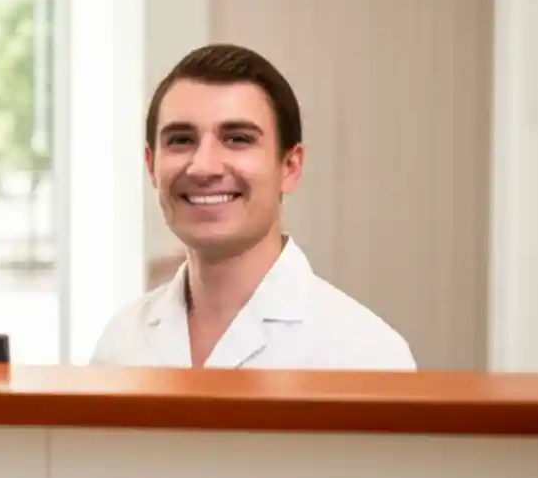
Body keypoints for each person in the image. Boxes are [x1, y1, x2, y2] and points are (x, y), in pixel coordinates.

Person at [92, 43, 415, 370]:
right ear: (151, 166)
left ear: (289, 166)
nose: (204, 167)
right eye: (181, 140)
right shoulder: (120, 345)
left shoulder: (367, 357)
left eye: (238, 139)